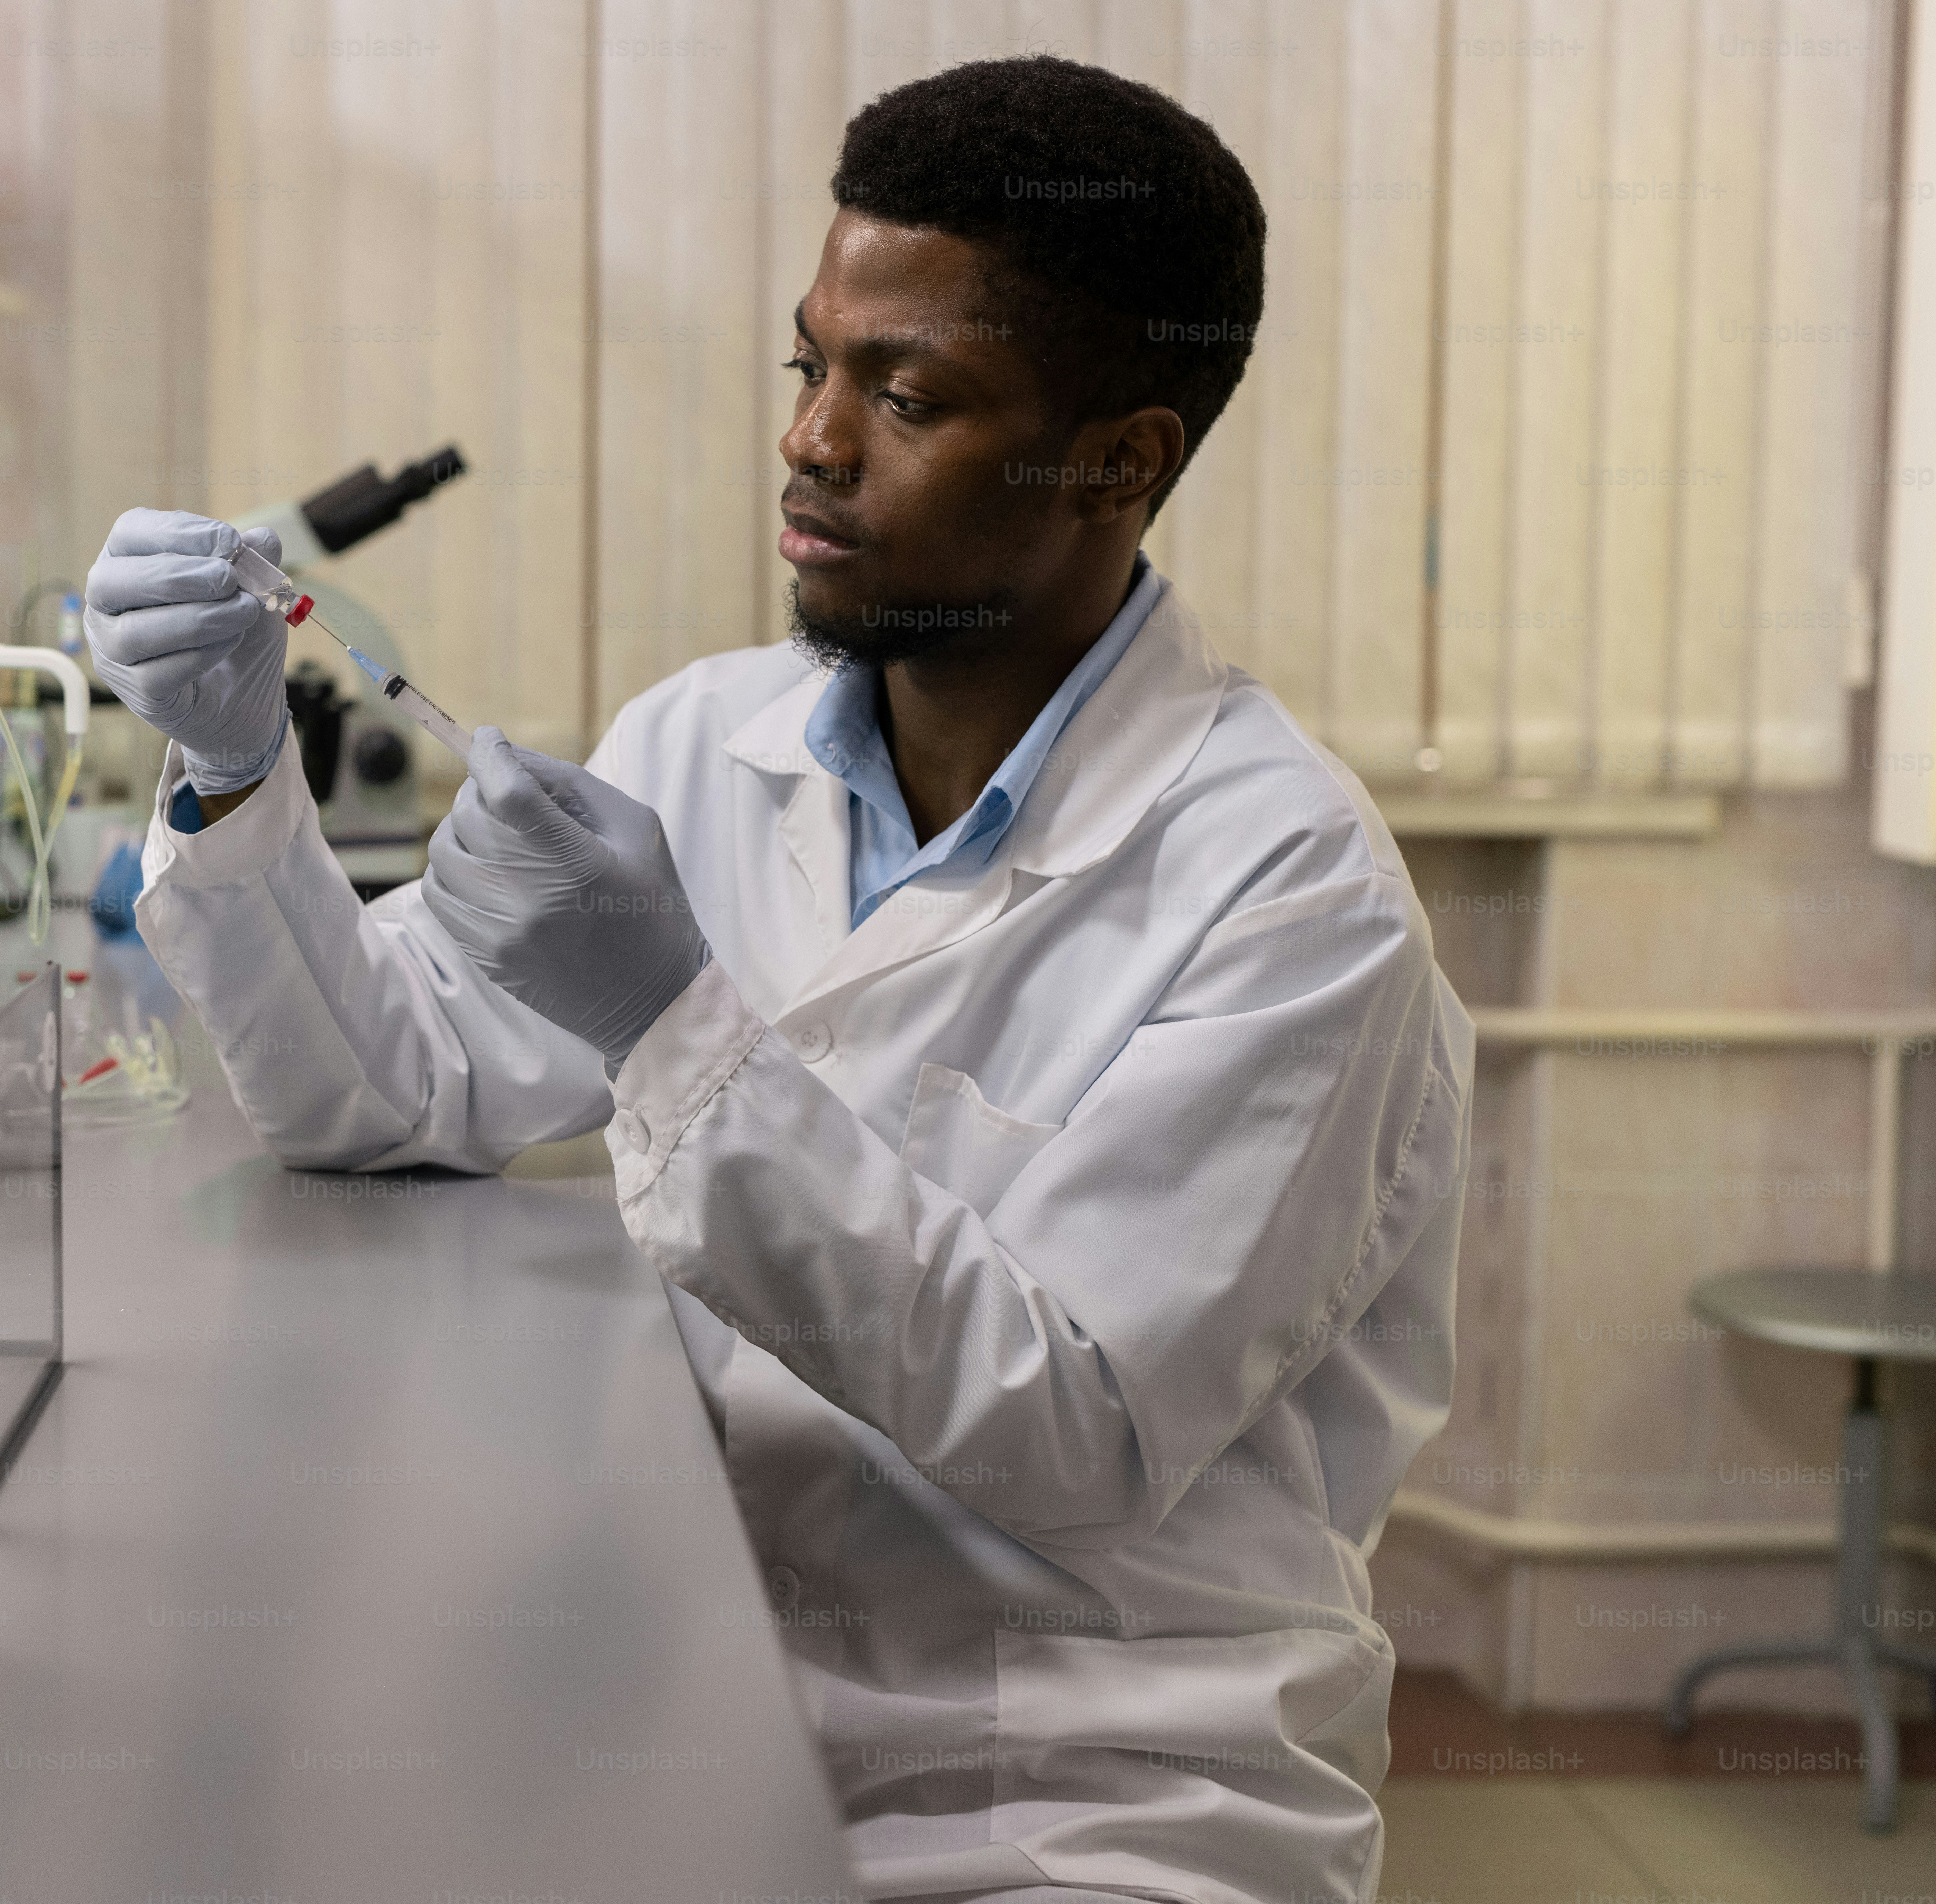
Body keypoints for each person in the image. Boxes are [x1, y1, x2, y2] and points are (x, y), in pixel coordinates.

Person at [83, 55, 1467, 1904]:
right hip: (704, 1692)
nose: (816, 440)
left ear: (1120, 459)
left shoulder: (1288, 890)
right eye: (809, 365)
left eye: (908, 394)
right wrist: (234, 772)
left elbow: (1075, 1433)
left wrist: (670, 1026)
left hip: (1092, 1787)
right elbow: (373, 1089)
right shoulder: (709, 739)